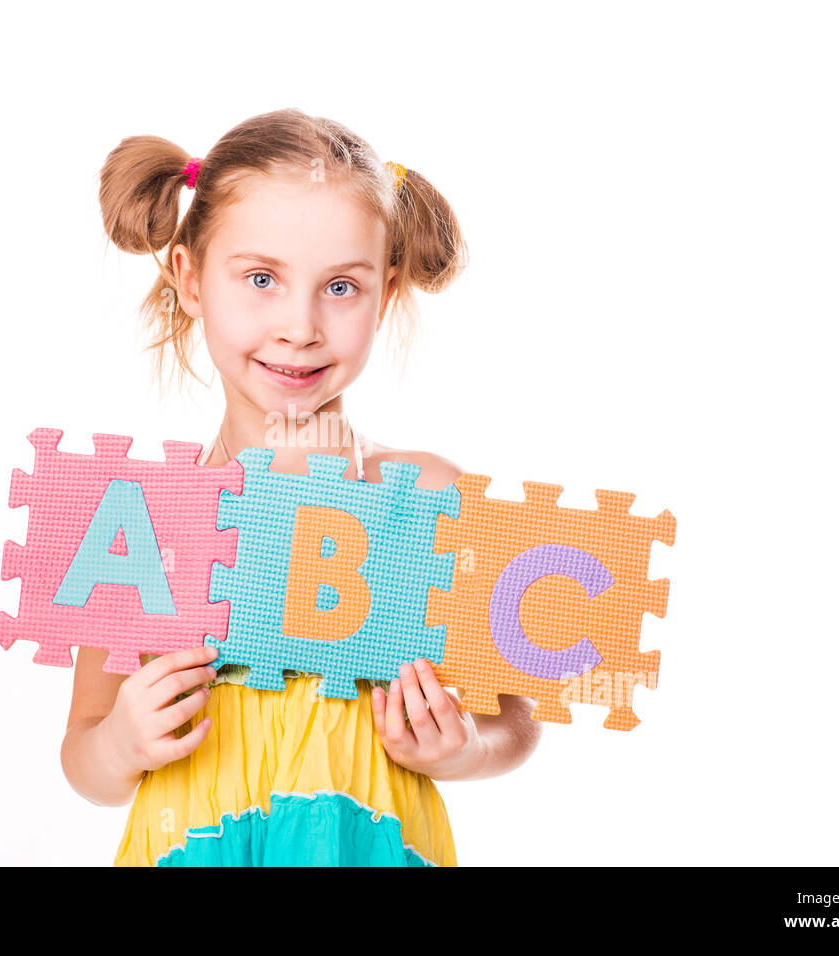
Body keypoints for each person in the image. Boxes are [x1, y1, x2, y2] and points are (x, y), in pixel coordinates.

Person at [60, 108, 542, 866]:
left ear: (383, 296)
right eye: (261, 279)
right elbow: (84, 753)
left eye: (340, 288)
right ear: (190, 279)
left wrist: (463, 750)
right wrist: (122, 743)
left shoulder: (427, 497)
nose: (300, 326)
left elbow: (515, 718)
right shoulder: (144, 520)